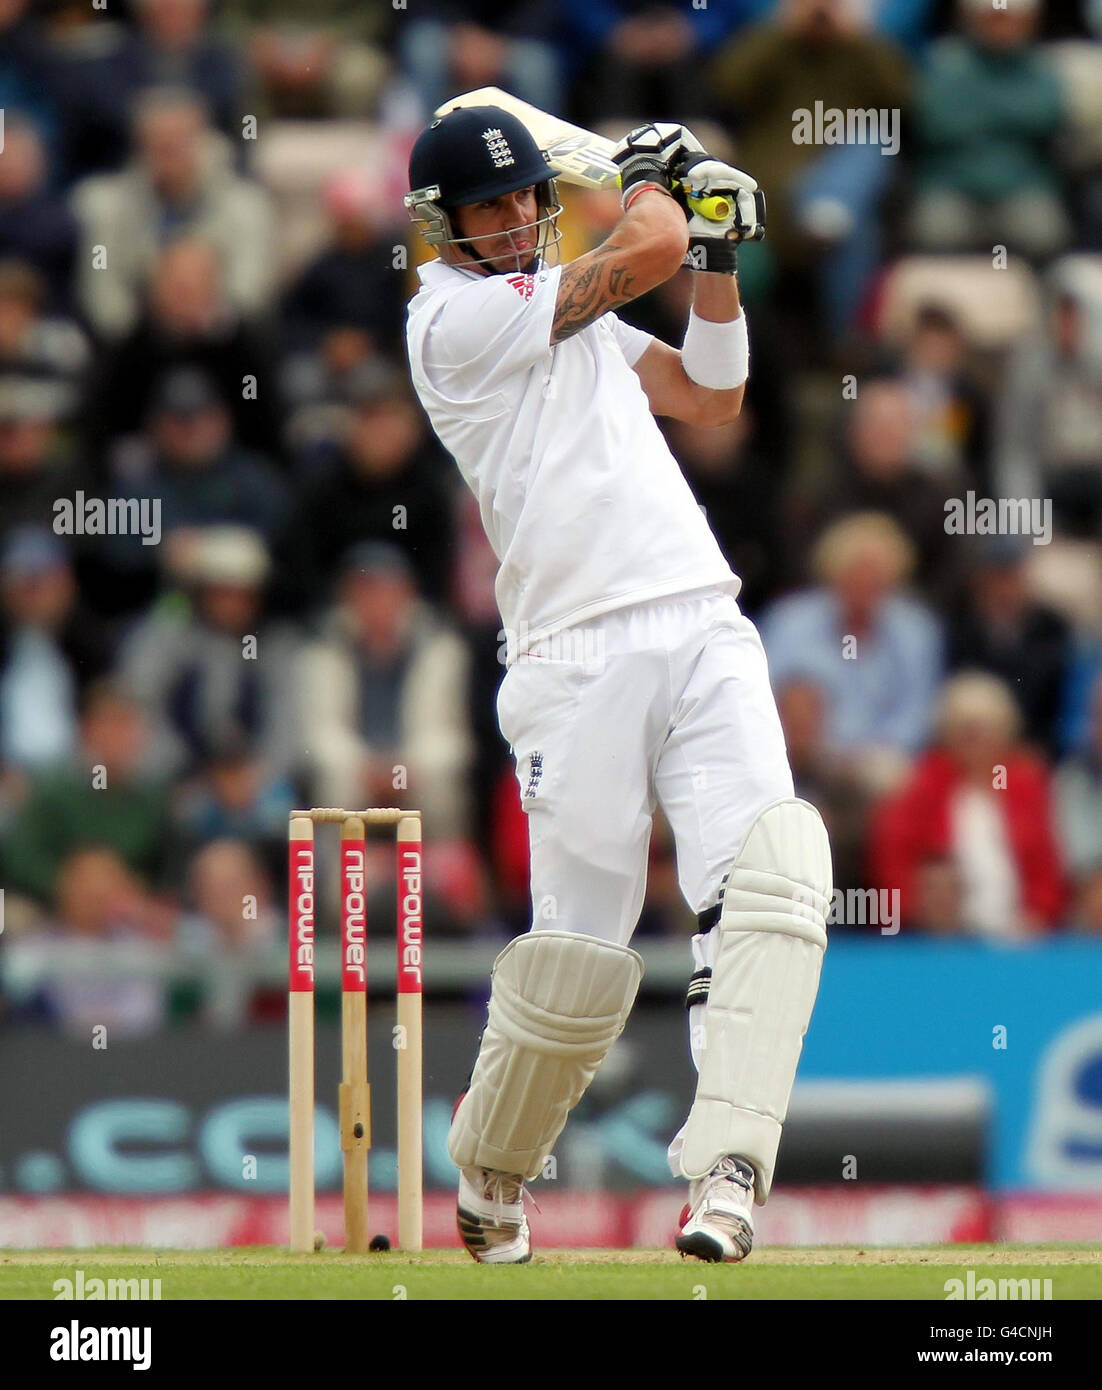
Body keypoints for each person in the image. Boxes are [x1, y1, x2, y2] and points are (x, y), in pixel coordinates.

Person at [404, 106, 832, 1263]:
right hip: (568, 654)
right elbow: (635, 249)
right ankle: (493, 1169)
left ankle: (729, 1173)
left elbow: (709, 394)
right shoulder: (453, 322)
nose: (510, 224)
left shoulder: (568, 309)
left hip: (699, 613)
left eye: (522, 201)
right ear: (440, 230)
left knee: (772, 882)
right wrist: (665, 180)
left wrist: (719, 255)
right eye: (486, 210)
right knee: (580, 956)